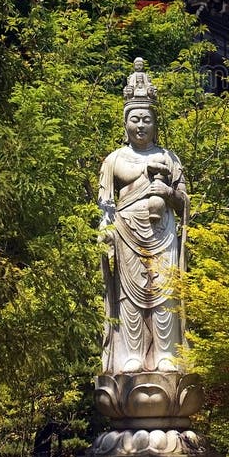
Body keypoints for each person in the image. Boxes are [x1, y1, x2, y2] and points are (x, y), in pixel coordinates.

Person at [98, 60, 189, 374]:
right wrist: (104, 230)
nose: (140, 125)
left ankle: (166, 353)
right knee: (129, 295)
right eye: (135, 119)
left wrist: (166, 193)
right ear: (125, 123)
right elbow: (105, 203)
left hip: (163, 233)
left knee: (164, 293)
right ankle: (132, 354)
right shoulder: (114, 160)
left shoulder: (168, 157)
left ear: (155, 124)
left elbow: (184, 202)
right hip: (127, 232)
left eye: (146, 120)